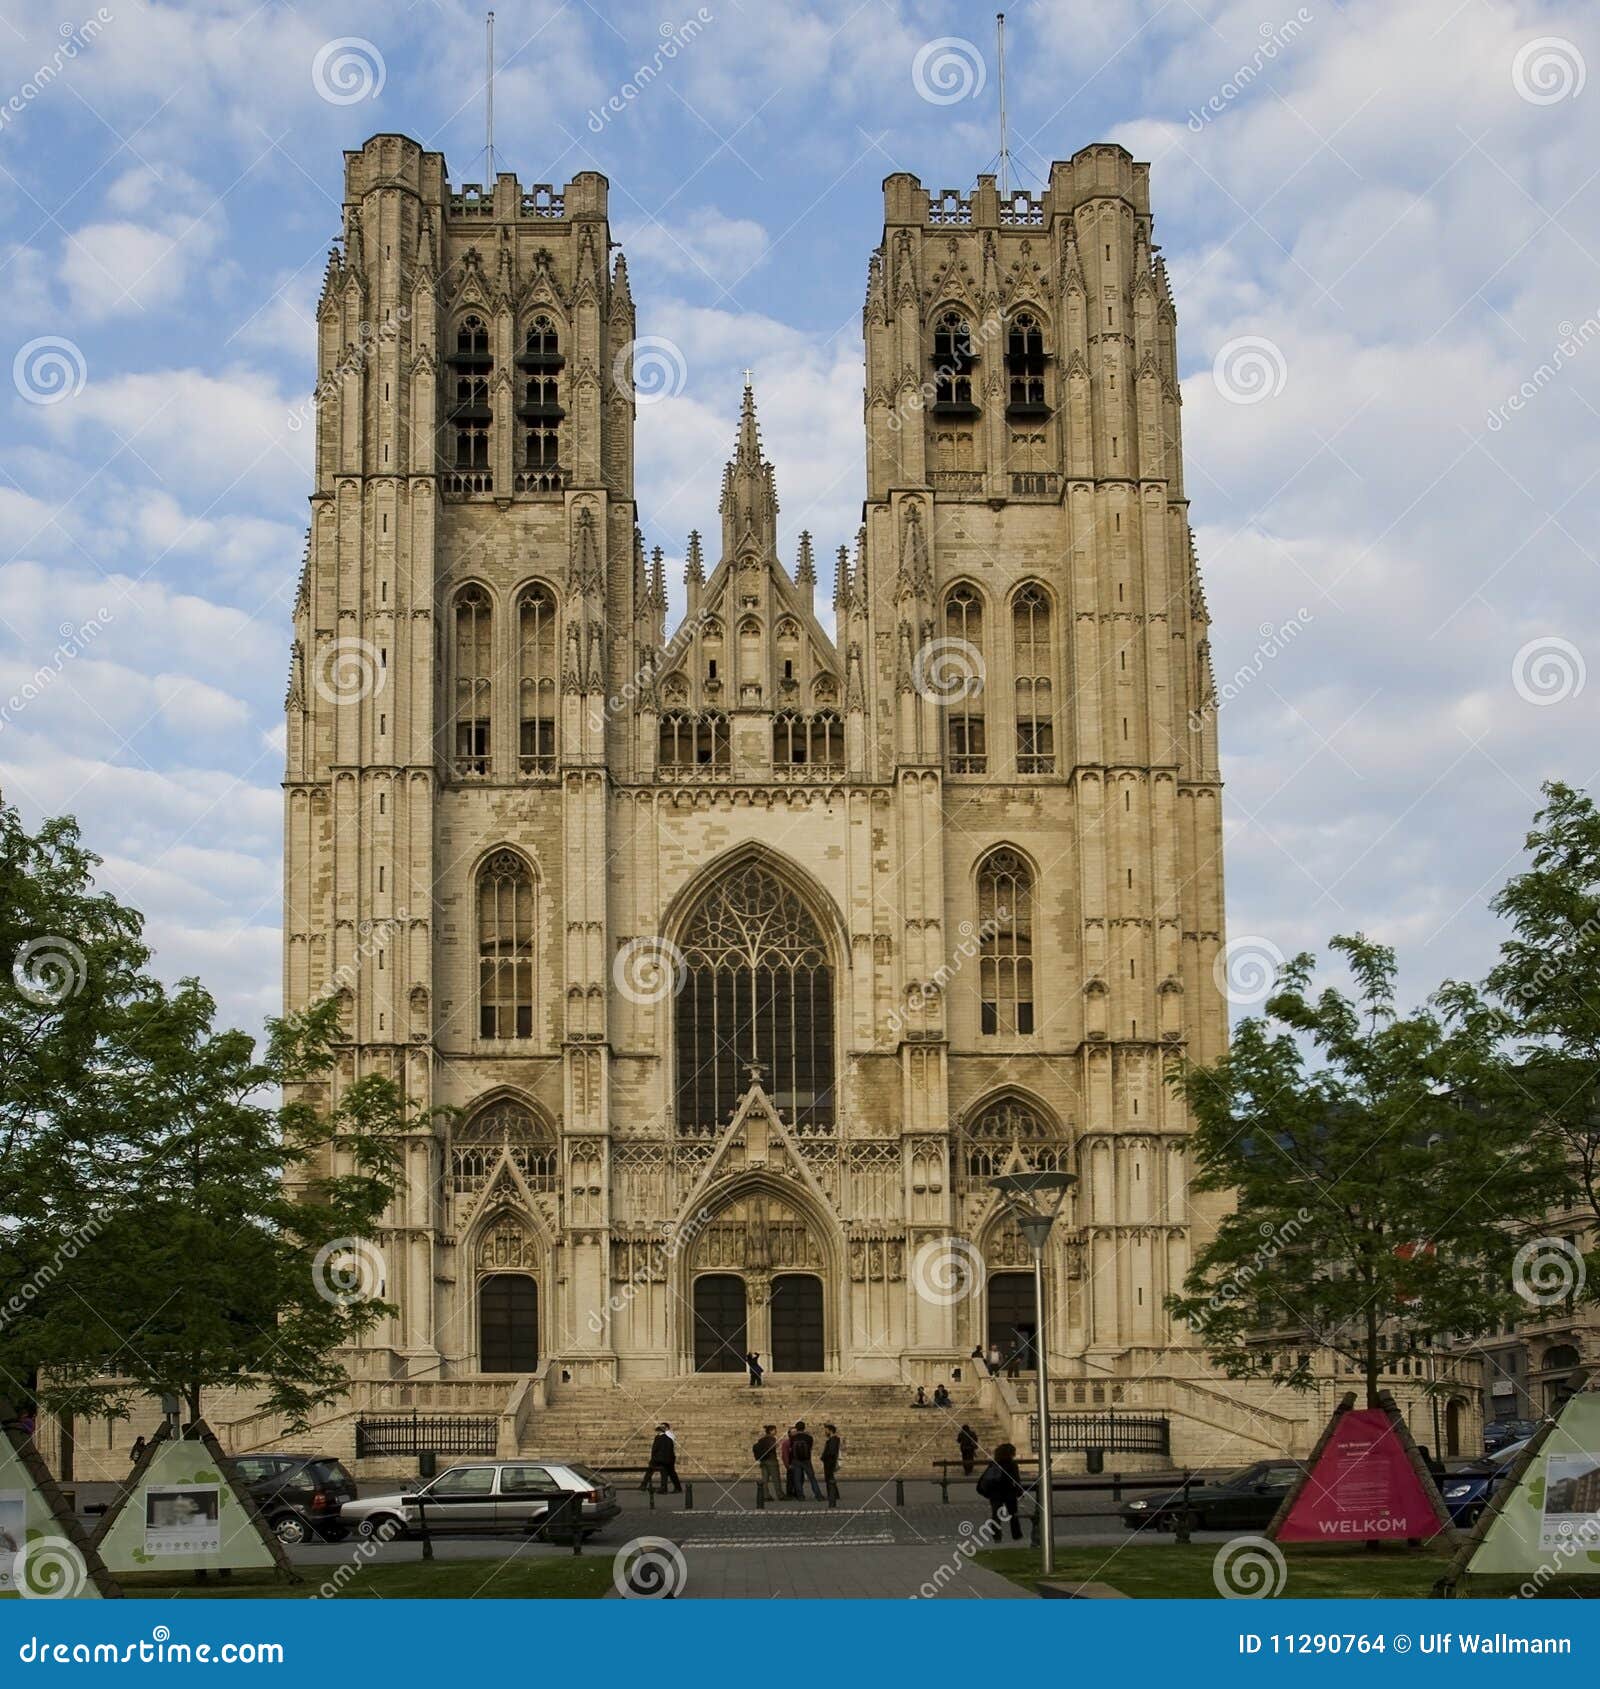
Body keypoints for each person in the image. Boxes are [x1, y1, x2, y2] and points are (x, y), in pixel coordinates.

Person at [977, 1441, 1025, 1541]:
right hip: (1009, 1492)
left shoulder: (994, 1463)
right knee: (1013, 1515)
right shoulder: (1012, 1464)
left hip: (995, 1493)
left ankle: (997, 1537)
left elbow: (986, 1477)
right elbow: (1016, 1479)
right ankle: (1016, 1535)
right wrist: (1020, 1491)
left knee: (996, 1516)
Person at [790, 1420, 822, 1500]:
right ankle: (818, 1495)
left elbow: (791, 1449)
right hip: (806, 1460)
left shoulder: (793, 1438)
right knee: (812, 1478)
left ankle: (800, 1496)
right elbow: (810, 1448)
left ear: (796, 1428)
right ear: (804, 1428)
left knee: (797, 1479)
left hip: (796, 1460)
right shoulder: (809, 1437)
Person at [753, 1425, 782, 1499]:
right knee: (776, 1478)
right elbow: (771, 1447)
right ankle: (780, 1494)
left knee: (765, 1479)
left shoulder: (761, 1439)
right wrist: (776, 1445)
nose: (776, 1431)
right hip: (771, 1460)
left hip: (763, 1461)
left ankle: (766, 1495)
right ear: (771, 1431)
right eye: (775, 1430)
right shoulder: (771, 1438)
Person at [641, 1423, 670, 1492]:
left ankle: (644, 1485)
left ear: (659, 1431)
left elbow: (655, 1448)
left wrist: (653, 1457)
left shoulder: (657, 1438)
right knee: (664, 1474)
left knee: (649, 1471)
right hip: (664, 1459)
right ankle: (664, 1487)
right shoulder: (667, 1438)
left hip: (657, 1458)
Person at [657, 1423, 682, 1493]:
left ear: (667, 1427)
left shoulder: (669, 1435)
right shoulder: (665, 1434)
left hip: (667, 1456)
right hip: (668, 1456)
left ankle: (665, 1488)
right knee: (670, 1473)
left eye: (662, 1427)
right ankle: (676, 1487)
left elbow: (667, 1446)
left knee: (667, 1472)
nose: (661, 1428)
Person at [821, 1423, 842, 1505]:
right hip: (829, 1461)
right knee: (830, 1478)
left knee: (829, 1479)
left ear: (831, 1431)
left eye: (826, 1430)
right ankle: (834, 1494)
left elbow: (831, 1452)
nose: (825, 1432)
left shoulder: (833, 1440)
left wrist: (824, 1457)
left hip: (829, 1462)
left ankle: (832, 1495)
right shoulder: (833, 1440)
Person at [779, 1425, 797, 1498]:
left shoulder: (798, 1441)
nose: (795, 1433)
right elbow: (785, 1455)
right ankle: (789, 1493)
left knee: (798, 1479)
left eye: (795, 1432)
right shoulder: (786, 1443)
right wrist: (787, 1465)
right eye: (793, 1432)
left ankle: (796, 1492)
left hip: (798, 1463)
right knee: (790, 1480)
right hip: (790, 1463)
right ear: (789, 1433)